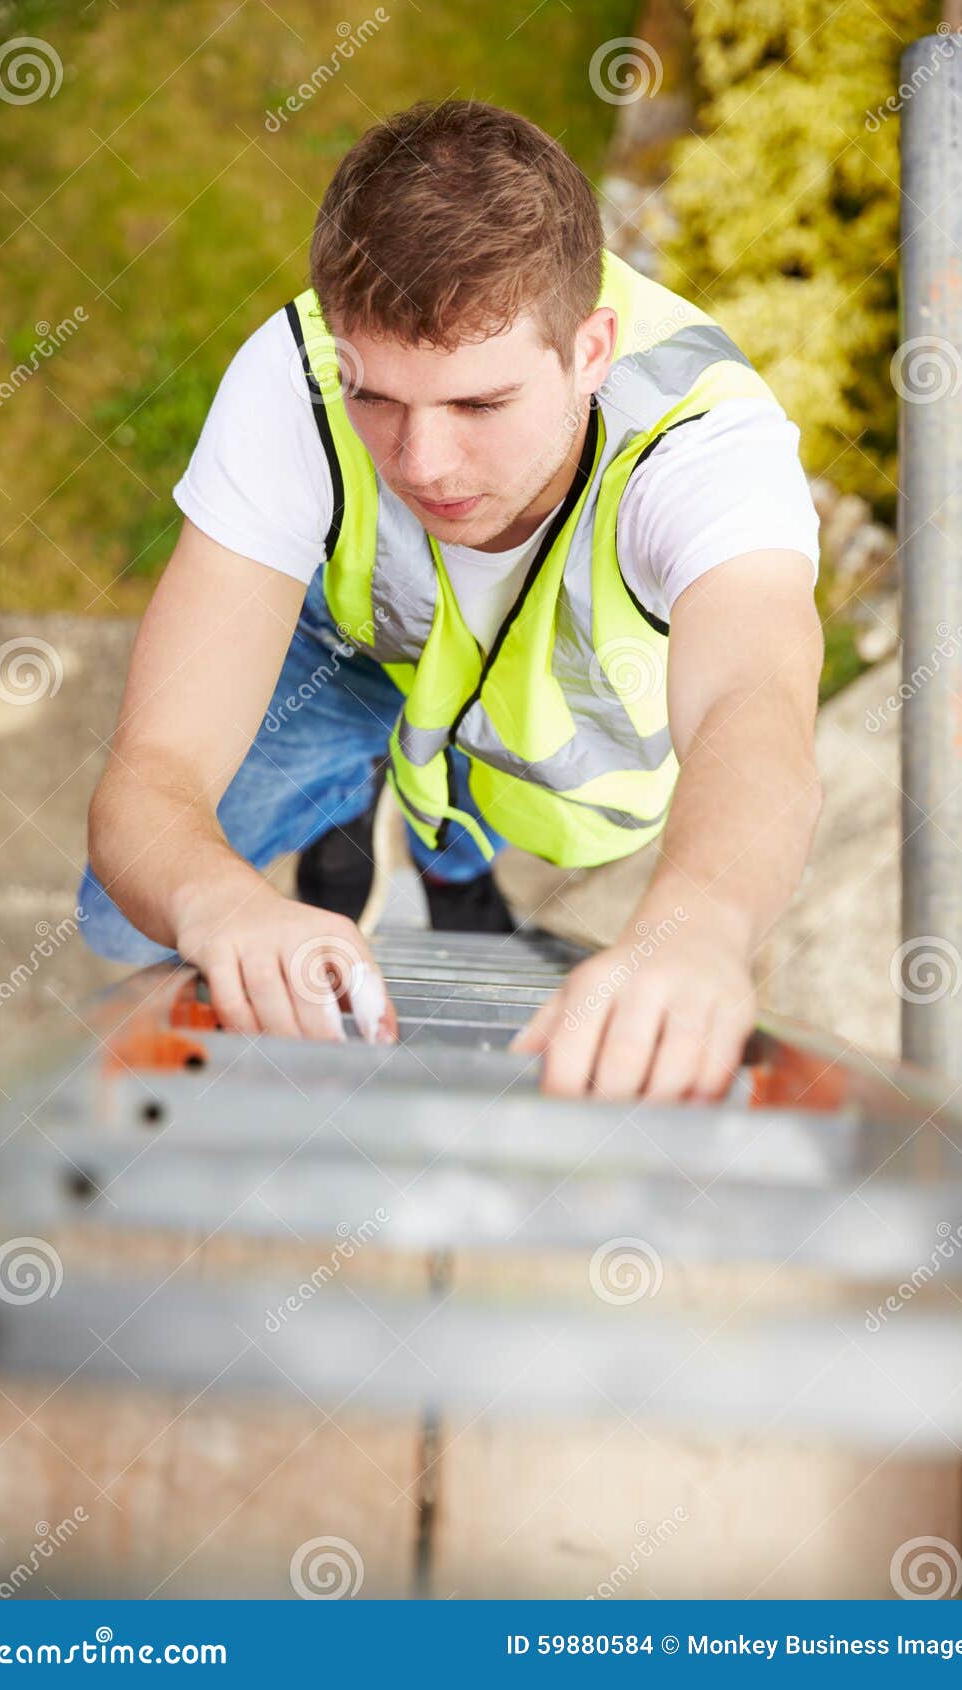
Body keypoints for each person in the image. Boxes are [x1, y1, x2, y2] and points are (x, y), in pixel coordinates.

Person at [80, 98, 824, 1103]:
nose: (422, 465)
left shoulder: (703, 447)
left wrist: (696, 930)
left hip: (533, 718)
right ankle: (359, 802)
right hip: (352, 649)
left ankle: (448, 857)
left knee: (476, 803)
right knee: (126, 920)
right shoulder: (292, 380)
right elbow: (153, 771)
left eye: (479, 403)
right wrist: (220, 906)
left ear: (591, 350)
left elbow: (756, 705)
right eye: (376, 398)